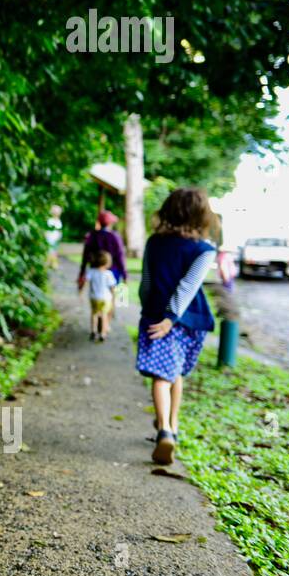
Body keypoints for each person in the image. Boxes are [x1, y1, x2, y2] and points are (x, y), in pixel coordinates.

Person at [136, 187, 218, 465]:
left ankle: (165, 431)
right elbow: (188, 286)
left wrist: (156, 313)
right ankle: (172, 426)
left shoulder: (154, 243)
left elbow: (146, 283)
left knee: (161, 376)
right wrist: (173, 317)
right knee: (175, 373)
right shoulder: (204, 250)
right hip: (189, 320)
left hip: (160, 318)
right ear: (201, 215)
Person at [78, 210, 127, 312]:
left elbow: (85, 256)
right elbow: (120, 256)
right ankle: (107, 319)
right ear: (110, 223)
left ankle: (96, 319)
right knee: (111, 295)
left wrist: (82, 273)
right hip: (113, 271)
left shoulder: (92, 236)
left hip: (94, 271)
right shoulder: (115, 236)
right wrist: (125, 275)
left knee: (96, 294)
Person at [85, 250, 118, 341]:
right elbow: (112, 288)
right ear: (107, 263)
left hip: (94, 297)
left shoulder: (91, 271)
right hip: (105, 298)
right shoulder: (108, 274)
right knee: (104, 315)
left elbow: (86, 281)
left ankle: (93, 331)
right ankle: (102, 334)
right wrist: (114, 298)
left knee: (94, 314)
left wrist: (82, 292)